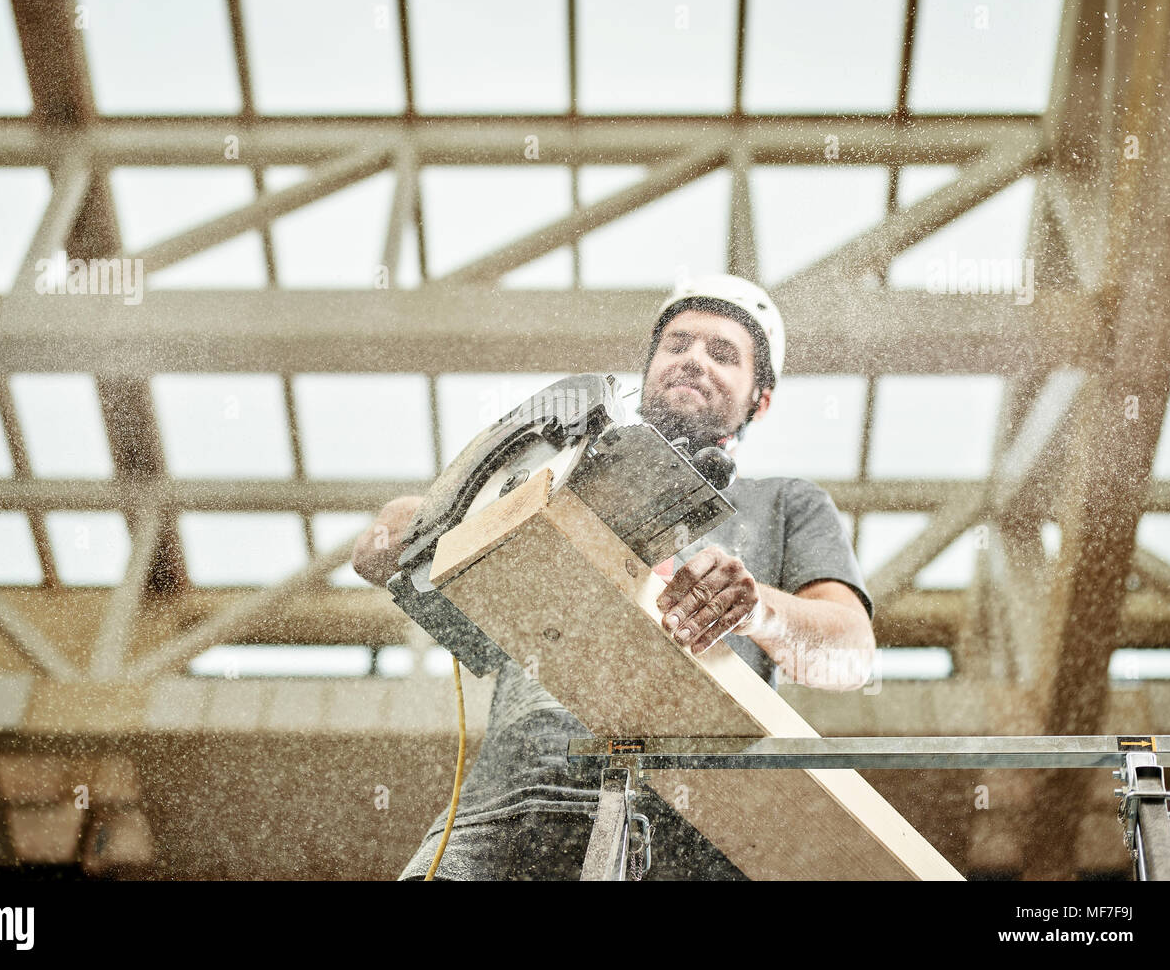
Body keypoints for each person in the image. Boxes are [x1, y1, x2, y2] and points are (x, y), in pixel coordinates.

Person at [352, 273, 876, 880]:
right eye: (677, 345)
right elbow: (377, 547)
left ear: (760, 399)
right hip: (503, 811)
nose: (693, 361)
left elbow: (851, 655)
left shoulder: (786, 503)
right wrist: (494, 500)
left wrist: (757, 610)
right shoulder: (561, 476)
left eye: (723, 354)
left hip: (691, 831)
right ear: (649, 368)